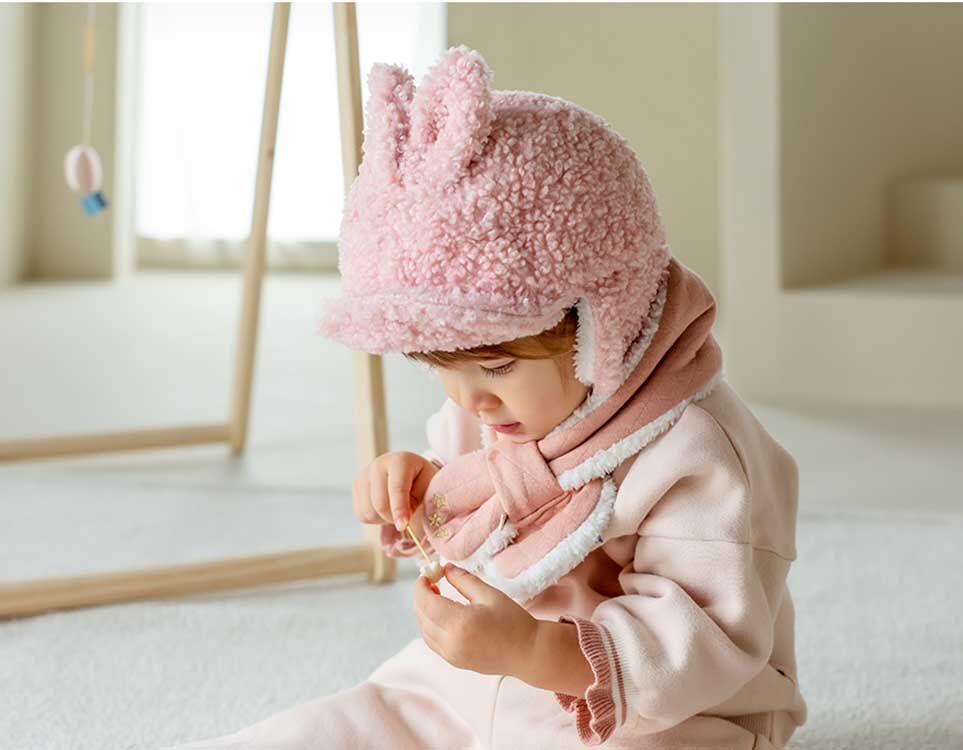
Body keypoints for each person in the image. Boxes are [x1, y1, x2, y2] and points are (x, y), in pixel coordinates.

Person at [170, 44, 807, 749]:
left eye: (497, 366)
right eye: (440, 367)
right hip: (473, 682)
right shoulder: (491, 409)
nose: (469, 400)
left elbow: (709, 637)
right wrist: (417, 486)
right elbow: (467, 501)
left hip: (647, 709)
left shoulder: (695, 451)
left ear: (602, 326)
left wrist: (535, 651)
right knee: (341, 727)